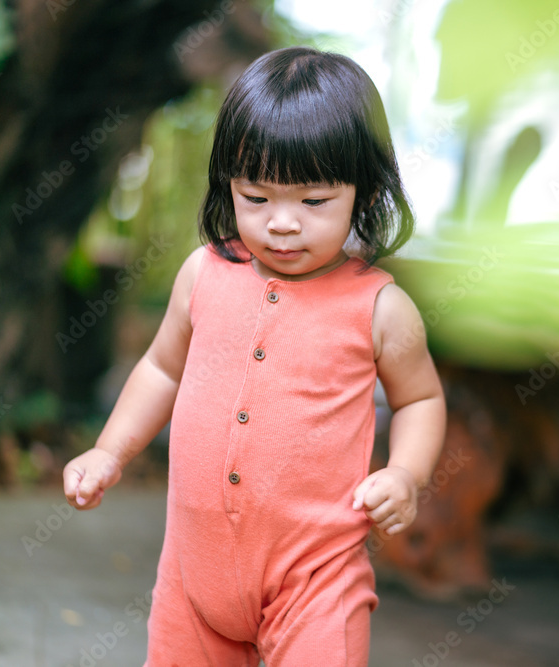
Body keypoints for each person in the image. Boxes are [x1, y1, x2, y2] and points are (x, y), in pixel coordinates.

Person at [63, 46, 446, 666]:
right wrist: (109, 451)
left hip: (316, 578)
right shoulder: (202, 275)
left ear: (365, 193)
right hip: (193, 572)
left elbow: (421, 398)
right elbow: (161, 368)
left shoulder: (379, 308)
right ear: (229, 186)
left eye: (313, 201)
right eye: (257, 197)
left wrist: (406, 474)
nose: (282, 223)